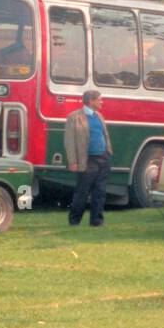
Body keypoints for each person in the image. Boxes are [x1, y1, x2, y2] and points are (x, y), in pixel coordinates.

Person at [64, 90, 113, 227]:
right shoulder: (74, 117)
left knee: (100, 191)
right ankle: (74, 221)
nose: (101, 102)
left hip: (103, 158)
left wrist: (108, 151)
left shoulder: (100, 116)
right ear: (91, 101)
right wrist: (73, 161)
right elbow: (69, 141)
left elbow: (105, 135)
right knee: (82, 191)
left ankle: (97, 221)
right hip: (87, 160)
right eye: (99, 99)